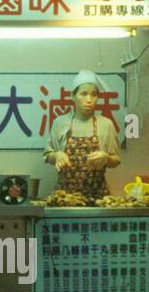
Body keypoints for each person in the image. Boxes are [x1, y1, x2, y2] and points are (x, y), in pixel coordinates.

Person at [44, 69, 121, 200]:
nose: (89, 100)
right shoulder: (60, 123)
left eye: (94, 95)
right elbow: (47, 155)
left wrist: (106, 158)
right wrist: (57, 155)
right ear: (73, 96)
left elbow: (116, 160)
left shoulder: (106, 124)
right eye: (83, 94)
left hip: (98, 198)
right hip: (65, 198)